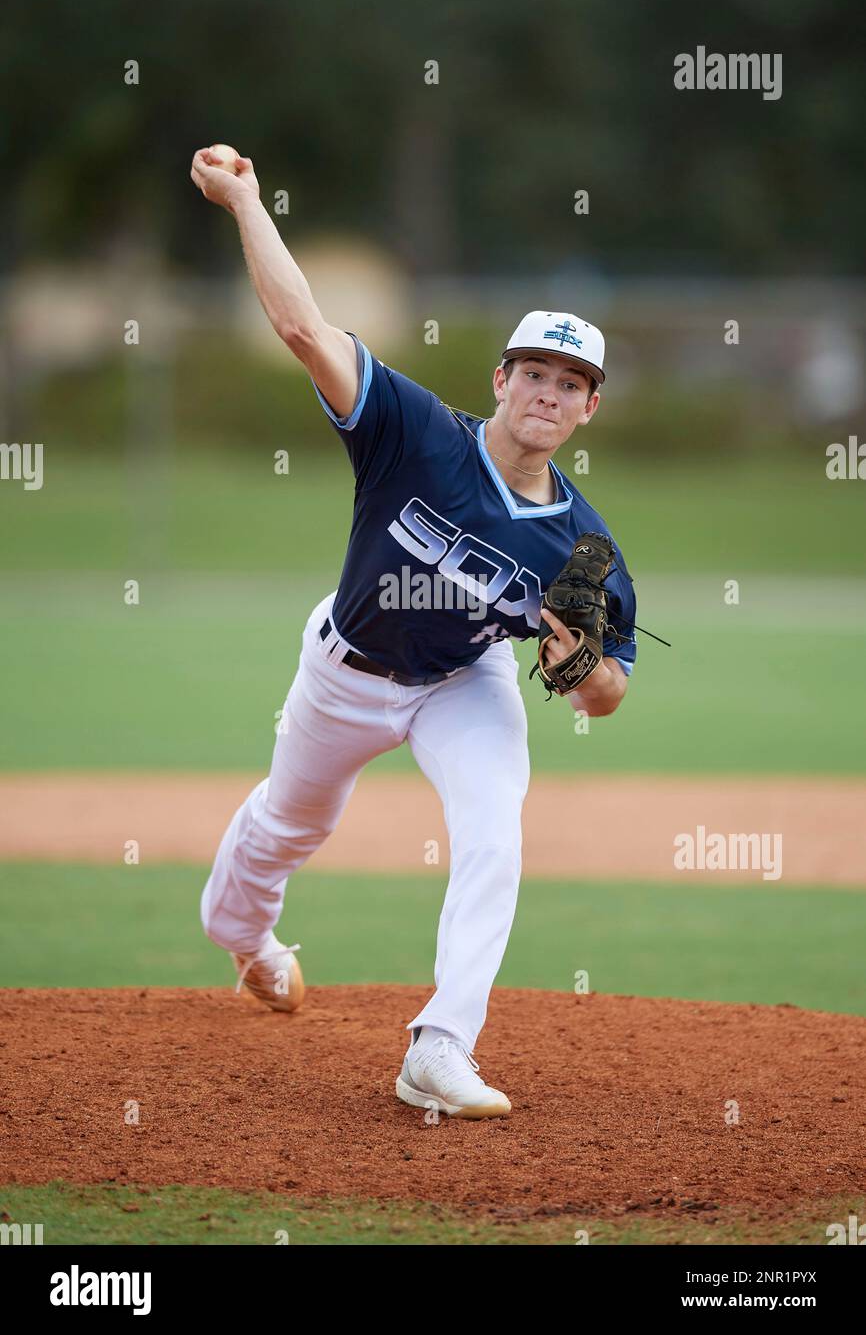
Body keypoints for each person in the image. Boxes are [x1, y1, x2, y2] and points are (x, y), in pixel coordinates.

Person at [190, 144, 637, 1120]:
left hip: (459, 682)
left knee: (493, 831)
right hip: (343, 671)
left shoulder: (580, 546)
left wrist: (583, 664)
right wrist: (245, 202)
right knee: (290, 822)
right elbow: (303, 327)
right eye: (534, 373)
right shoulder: (413, 429)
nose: (547, 394)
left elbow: (607, 693)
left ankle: (439, 1045)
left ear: (588, 407)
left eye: (570, 383)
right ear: (502, 376)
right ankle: (247, 939)